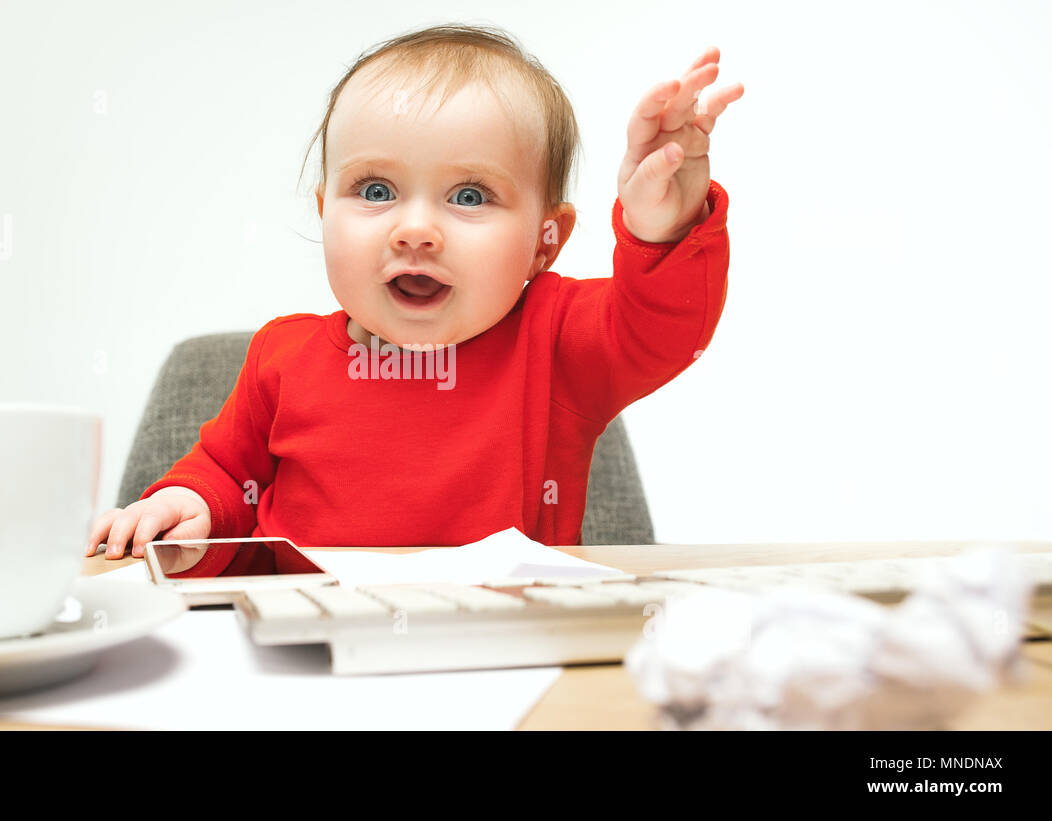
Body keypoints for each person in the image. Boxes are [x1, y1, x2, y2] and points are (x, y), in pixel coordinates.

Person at [86, 24, 744, 576]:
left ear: (546, 241)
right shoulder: (278, 360)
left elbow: (660, 327)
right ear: (324, 212)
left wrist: (664, 227)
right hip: (311, 662)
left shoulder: (555, 339)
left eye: (469, 196)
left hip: (502, 656)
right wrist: (186, 509)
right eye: (375, 191)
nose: (415, 229)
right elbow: (226, 483)